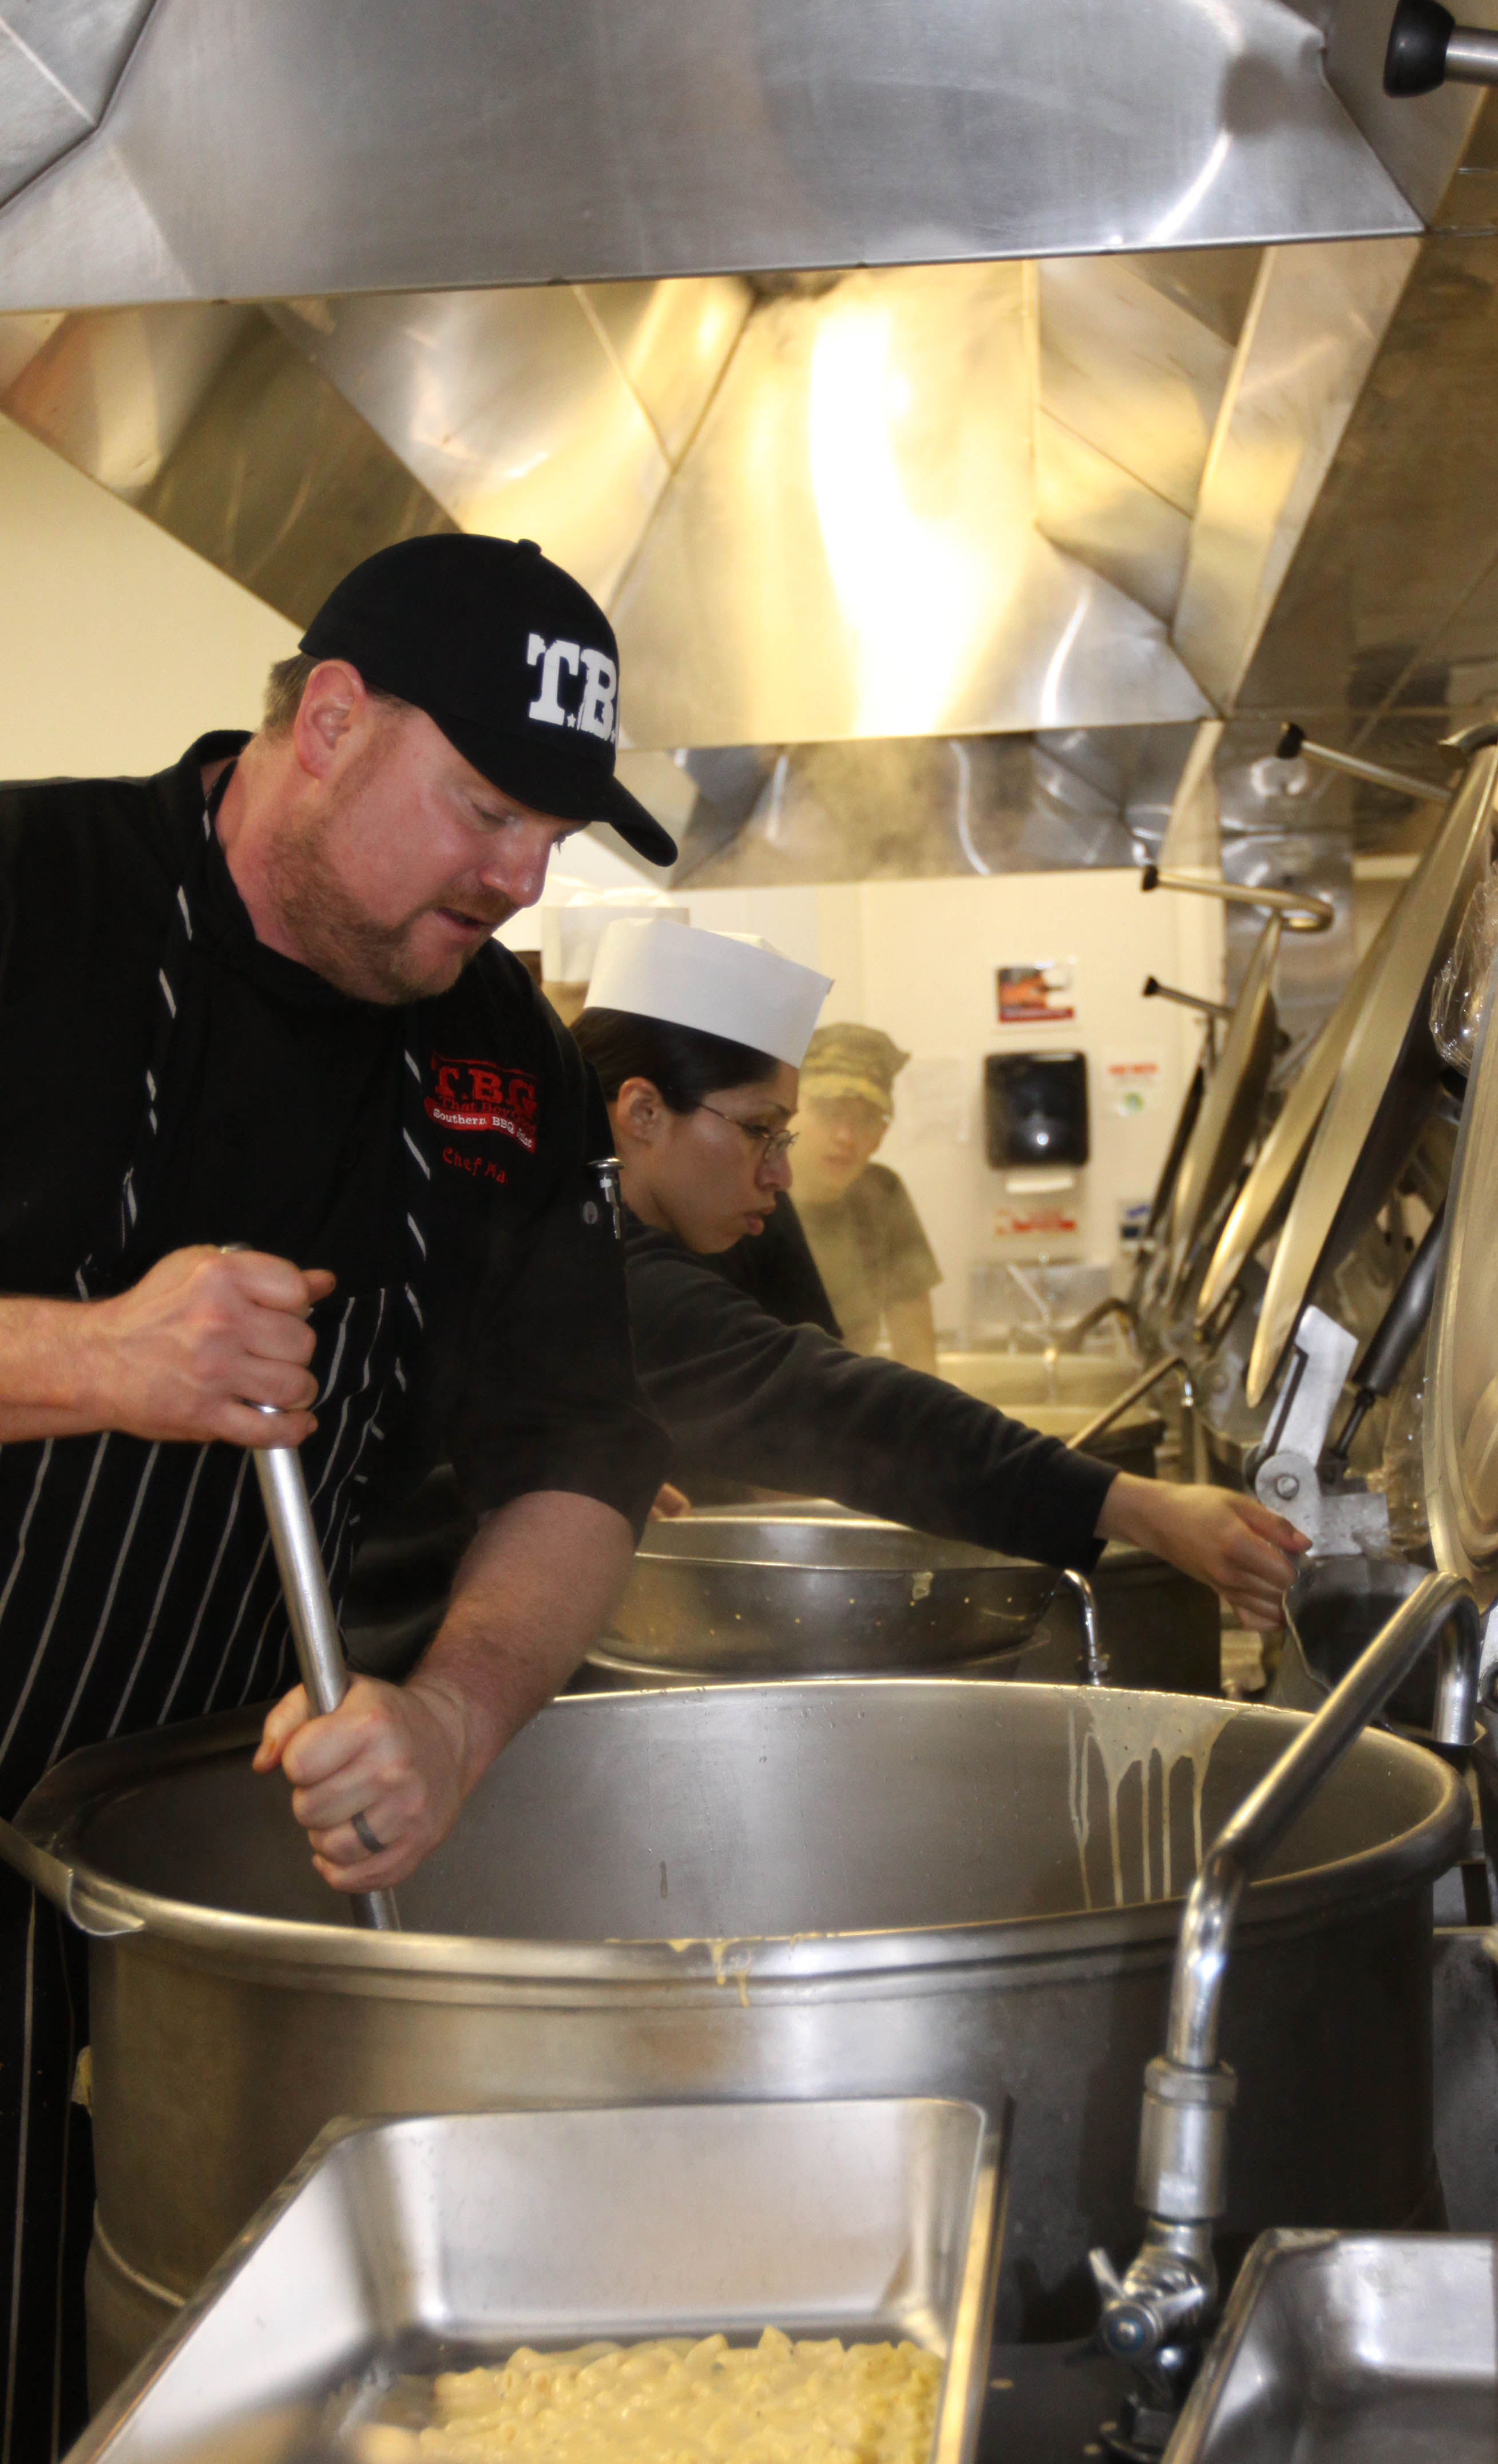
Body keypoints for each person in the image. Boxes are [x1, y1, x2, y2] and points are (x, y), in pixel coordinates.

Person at [0, 533, 672, 2455]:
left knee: (135, 2374)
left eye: (554, 831)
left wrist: (456, 1718)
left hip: (176, 1871)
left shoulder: (496, 1054)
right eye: (487, 809)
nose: (523, 876)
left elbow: (581, 1454)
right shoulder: (30, 895)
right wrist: (87, 1358)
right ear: (330, 720)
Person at [573, 919, 1309, 1623]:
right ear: (642, 1111)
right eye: (761, 1131)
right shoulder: (581, 1255)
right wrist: (1139, 1508)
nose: (782, 1173)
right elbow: (829, 1406)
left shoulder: (645, 1219)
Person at [787, 1024, 940, 1368]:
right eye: (830, 1111)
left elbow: (917, 1355)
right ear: (792, 1110)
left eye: (867, 1119)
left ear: (883, 1133)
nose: (846, 1136)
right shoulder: (744, 1196)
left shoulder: (882, 1197)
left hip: (851, 1408)